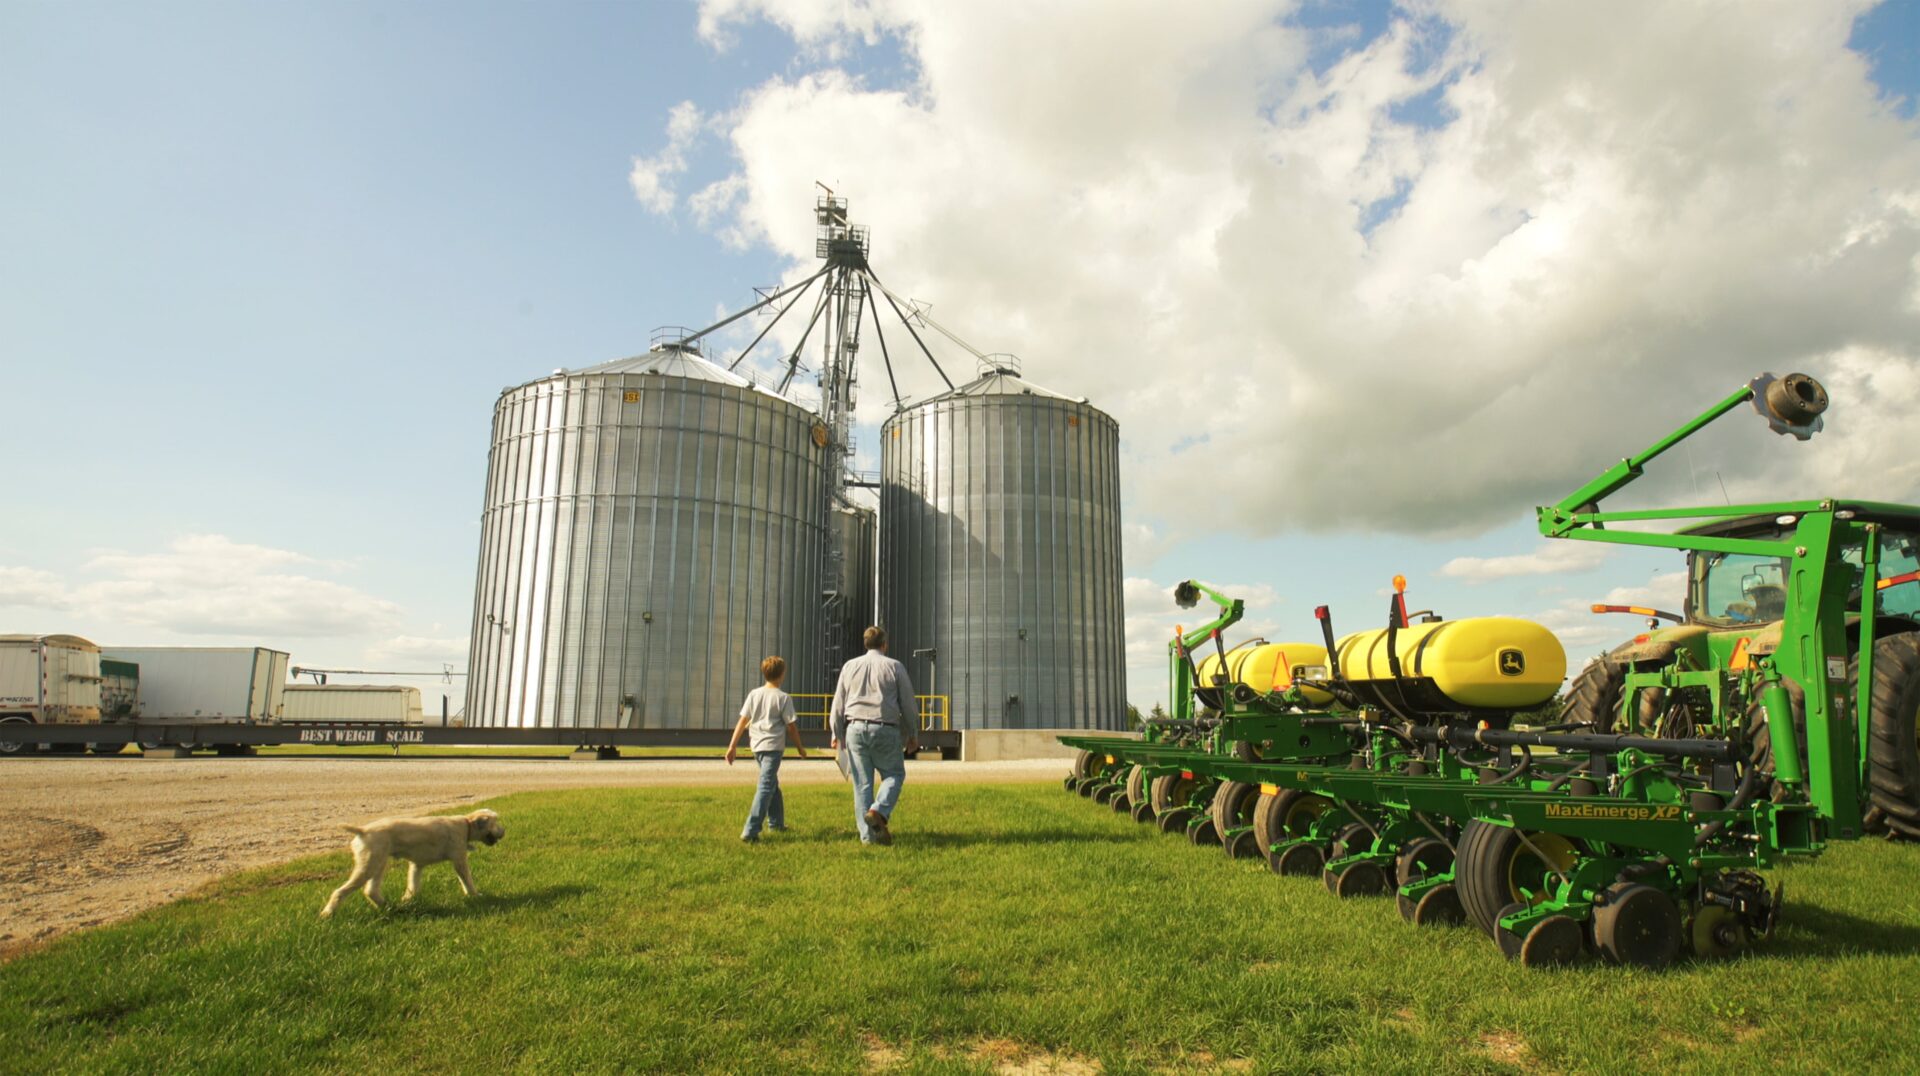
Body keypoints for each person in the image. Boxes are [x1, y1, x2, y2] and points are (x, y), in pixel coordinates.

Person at [829, 626, 919, 845]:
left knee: (862, 784)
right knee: (894, 775)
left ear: (865, 644)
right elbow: (908, 704)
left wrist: (836, 732)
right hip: (885, 728)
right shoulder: (894, 666)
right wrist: (913, 734)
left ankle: (868, 839)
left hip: (855, 729)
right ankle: (878, 810)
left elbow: (838, 702)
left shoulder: (850, 666)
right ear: (884, 644)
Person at [725, 655, 806, 843]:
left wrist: (732, 746)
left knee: (772, 785)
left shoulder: (754, 694)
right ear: (782, 674)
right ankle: (750, 830)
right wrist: (800, 748)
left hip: (757, 747)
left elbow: (742, 721)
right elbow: (791, 727)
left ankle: (776, 824)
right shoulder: (783, 698)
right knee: (766, 787)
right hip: (773, 748)